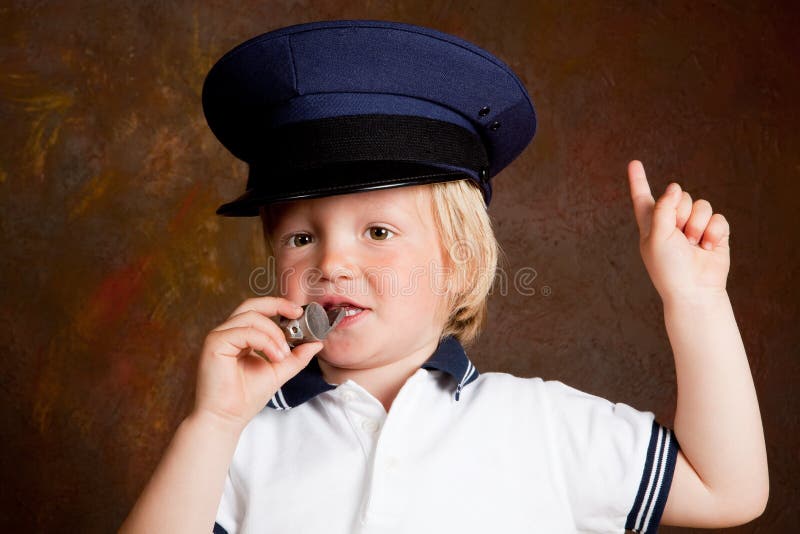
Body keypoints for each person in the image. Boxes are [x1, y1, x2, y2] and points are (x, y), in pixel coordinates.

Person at [120, 20, 768, 533]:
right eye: (300, 236)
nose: (331, 263)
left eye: (378, 232)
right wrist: (211, 425)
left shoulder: (542, 426)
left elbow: (727, 491)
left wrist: (698, 301)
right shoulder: (238, 448)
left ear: (461, 262)